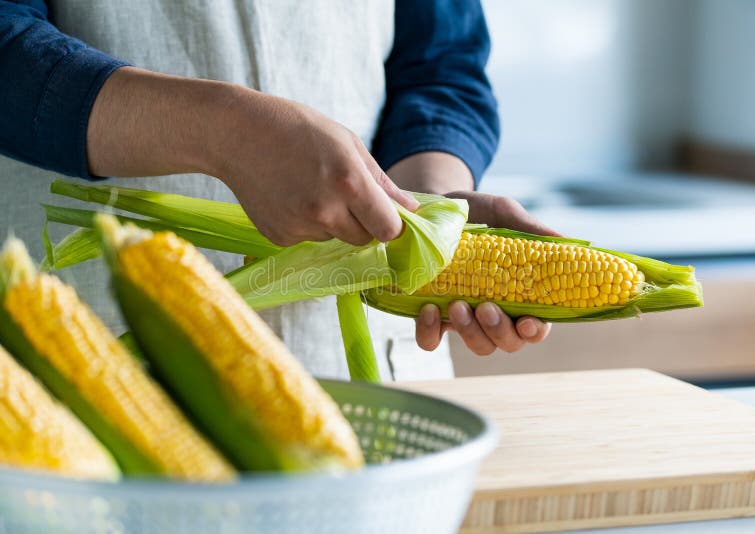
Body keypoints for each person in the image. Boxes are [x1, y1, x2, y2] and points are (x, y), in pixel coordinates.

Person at [0, 0, 552, 380]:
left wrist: (428, 206)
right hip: (97, 354)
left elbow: (438, 65)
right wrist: (226, 131)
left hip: (369, 377)